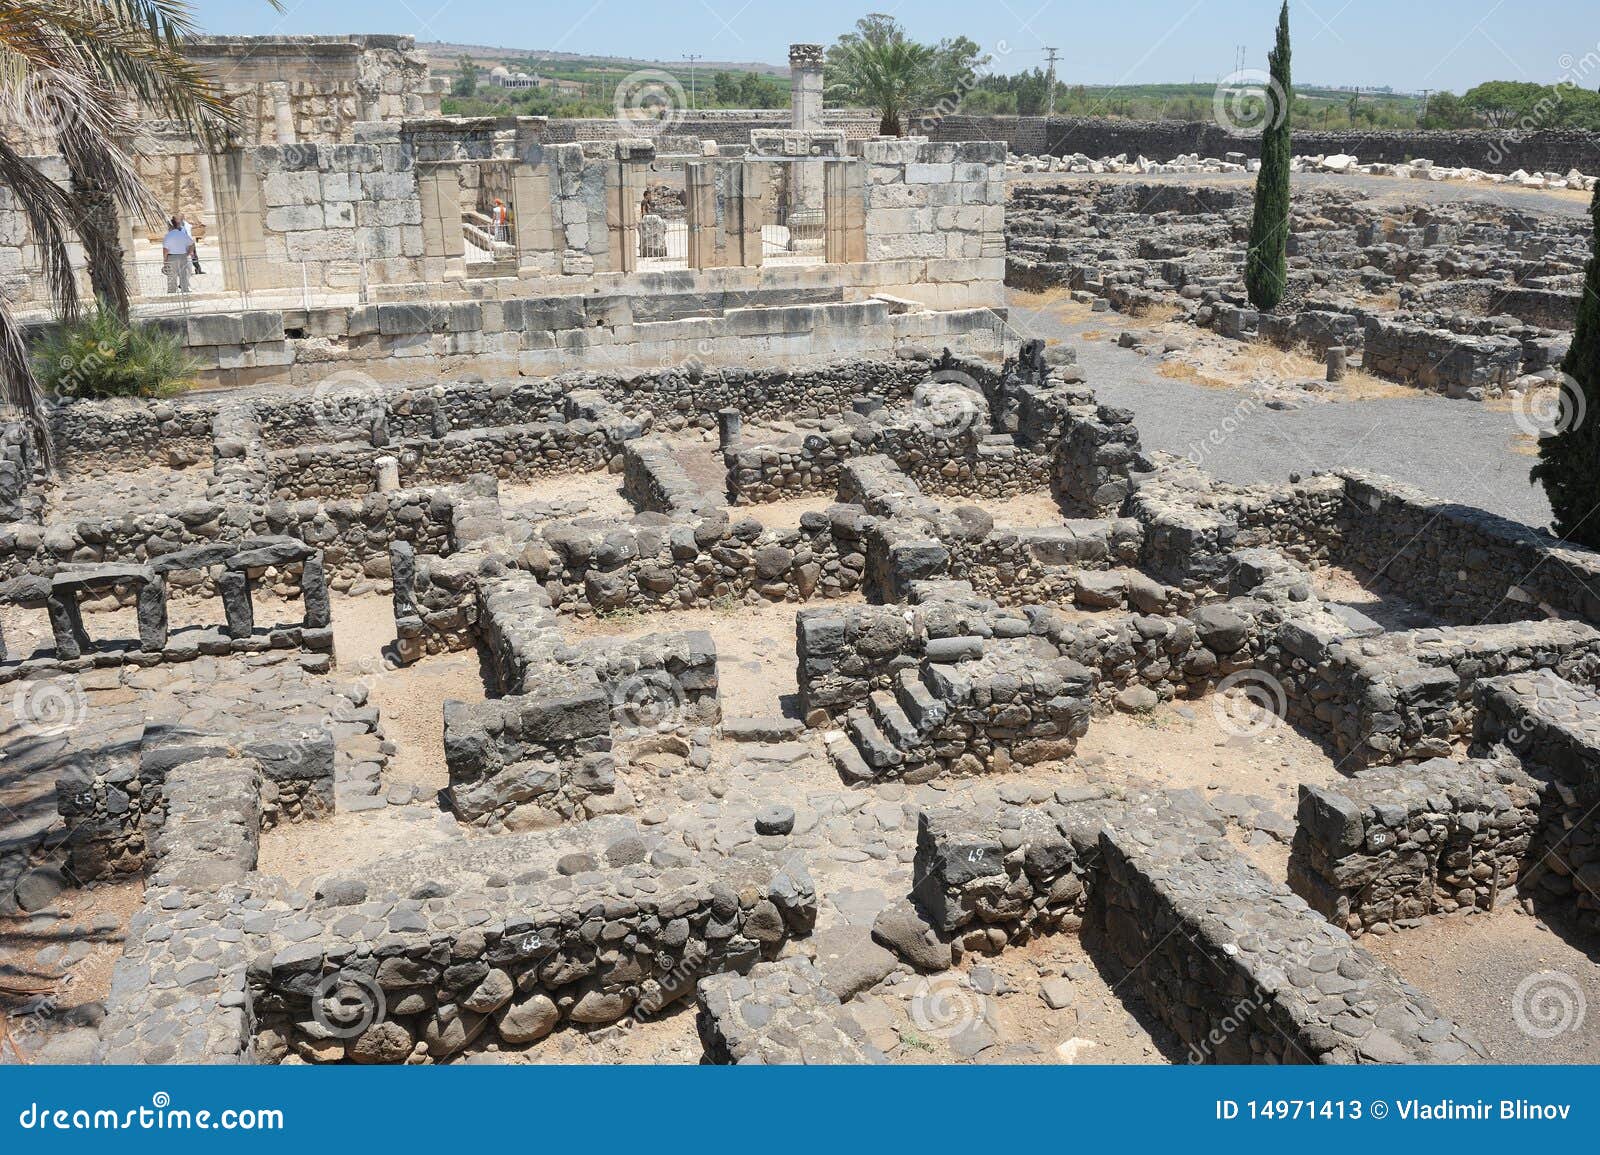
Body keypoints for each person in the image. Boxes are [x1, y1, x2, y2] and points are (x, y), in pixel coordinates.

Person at [162, 216, 194, 295]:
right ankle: (185, 291)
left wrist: (165, 260)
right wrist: (188, 253)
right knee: (183, 276)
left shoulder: (168, 236)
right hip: (183, 256)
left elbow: (165, 249)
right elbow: (192, 244)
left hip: (171, 257)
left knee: (172, 276)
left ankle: (172, 293)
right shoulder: (182, 234)